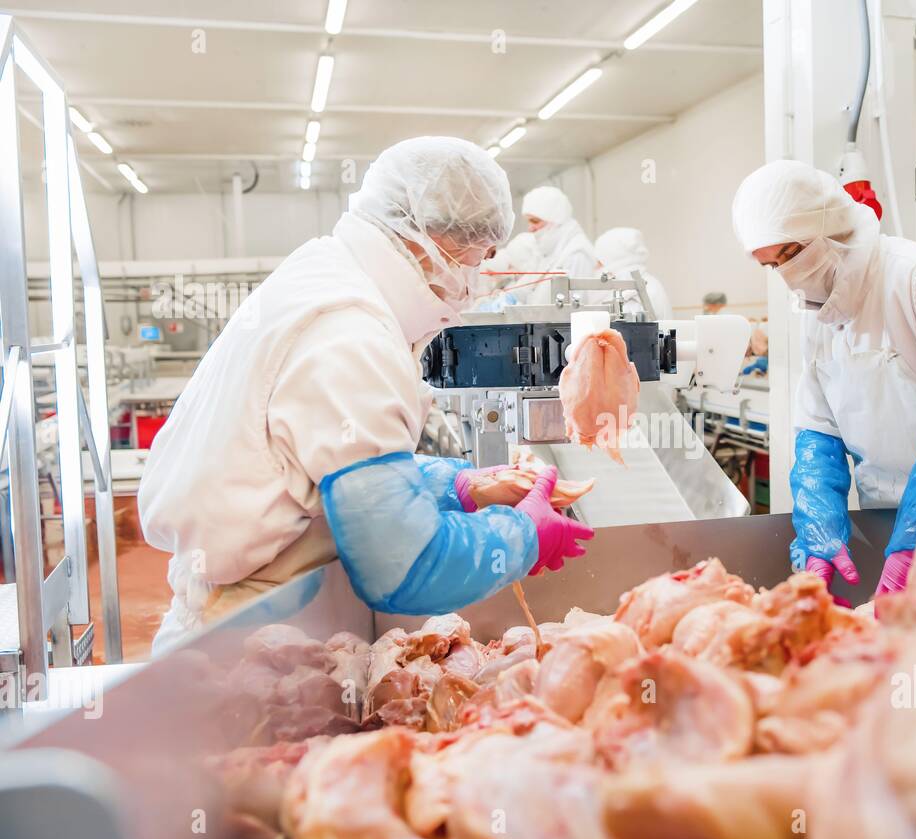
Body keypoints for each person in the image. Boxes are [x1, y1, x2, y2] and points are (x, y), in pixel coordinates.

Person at [138, 137, 593, 654]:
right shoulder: (354, 336)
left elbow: (320, 466)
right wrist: (522, 536)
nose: (477, 277)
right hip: (239, 648)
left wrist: (460, 487)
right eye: (478, 256)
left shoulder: (327, 274)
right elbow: (403, 565)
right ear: (433, 240)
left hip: (261, 615)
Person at [732, 160, 916, 599]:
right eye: (771, 264)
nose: (787, 274)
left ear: (831, 226)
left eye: (792, 253)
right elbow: (819, 430)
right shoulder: (818, 312)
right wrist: (820, 526)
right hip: (885, 521)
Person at [519, 185, 599, 303]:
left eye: (535, 221)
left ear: (556, 220)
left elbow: (575, 307)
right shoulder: (548, 251)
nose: (530, 228)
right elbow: (528, 287)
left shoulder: (576, 254)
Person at [593, 226, 674, 321]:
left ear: (614, 260)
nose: (596, 268)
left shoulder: (632, 292)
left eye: (600, 262)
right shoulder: (648, 283)